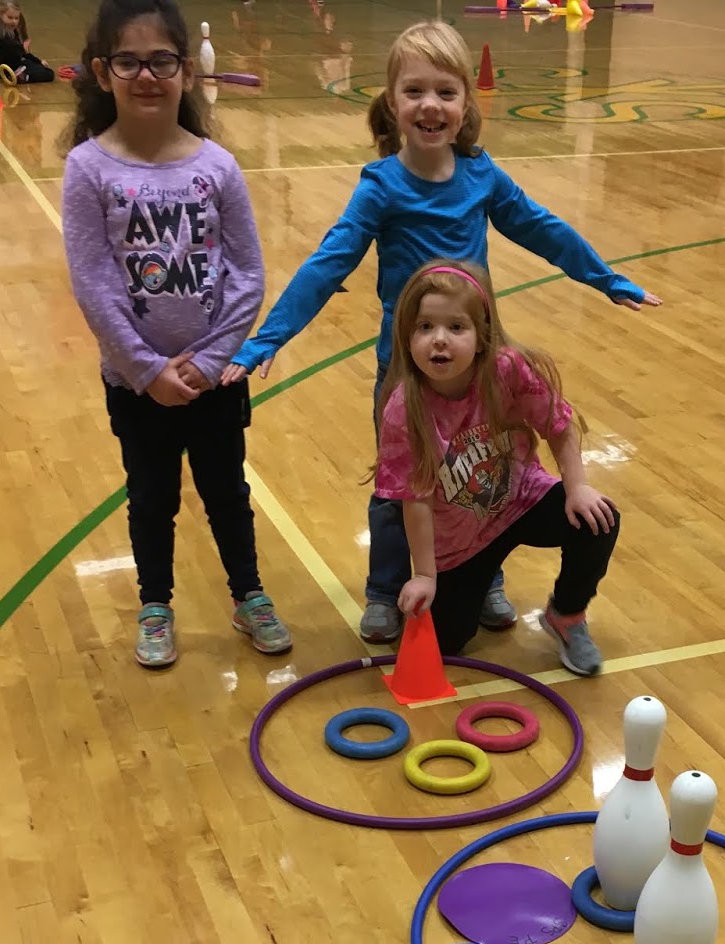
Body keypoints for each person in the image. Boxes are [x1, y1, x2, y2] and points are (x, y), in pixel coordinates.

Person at [220, 20, 655, 647]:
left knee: (495, 465)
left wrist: (603, 277)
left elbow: (540, 226)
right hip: (406, 365)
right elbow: (329, 262)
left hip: (481, 359)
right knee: (403, 480)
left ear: (465, 105)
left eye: (446, 92)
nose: (431, 105)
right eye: (415, 91)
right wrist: (268, 338)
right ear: (392, 103)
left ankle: (485, 573)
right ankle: (382, 587)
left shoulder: (480, 175)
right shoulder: (381, 186)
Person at [61, 0, 290, 669]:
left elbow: (248, 270)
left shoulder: (216, 165)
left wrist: (210, 359)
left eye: (161, 61)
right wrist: (145, 370)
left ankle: (249, 595)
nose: (146, 76)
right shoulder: (89, 168)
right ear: (104, 74)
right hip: (137, 384)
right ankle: (155, 603)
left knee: (228, 492)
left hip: (214, 378)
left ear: (186, 71)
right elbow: (93, 282)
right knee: (151, 495)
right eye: (128, 61)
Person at [374, 260, 619, 676]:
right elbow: (412, 500)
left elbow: (559, 425)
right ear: (406, 336)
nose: (439, 341)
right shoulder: (404, 408)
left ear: (482, 335)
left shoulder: (506, 370)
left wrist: (577, 488)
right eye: (424, 327)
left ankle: (566, 615)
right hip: (460, 540)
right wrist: (425, 576)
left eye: (456, 328)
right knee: (449, 643)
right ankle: (472, 585)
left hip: (521, 501)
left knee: (600, 520)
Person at [0, 2, 55, 84]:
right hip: (16, 66)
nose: (14, 21)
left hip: (13, 65)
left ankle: (5, 72)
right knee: (49, 74)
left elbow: (22, 53)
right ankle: (22, 77)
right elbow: (22, 54)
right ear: (0, 16)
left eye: (16, 18)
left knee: (41, 67)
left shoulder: (12, 32)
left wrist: (39, 61)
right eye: (10, 18)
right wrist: (25, 50)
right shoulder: (4, 36)